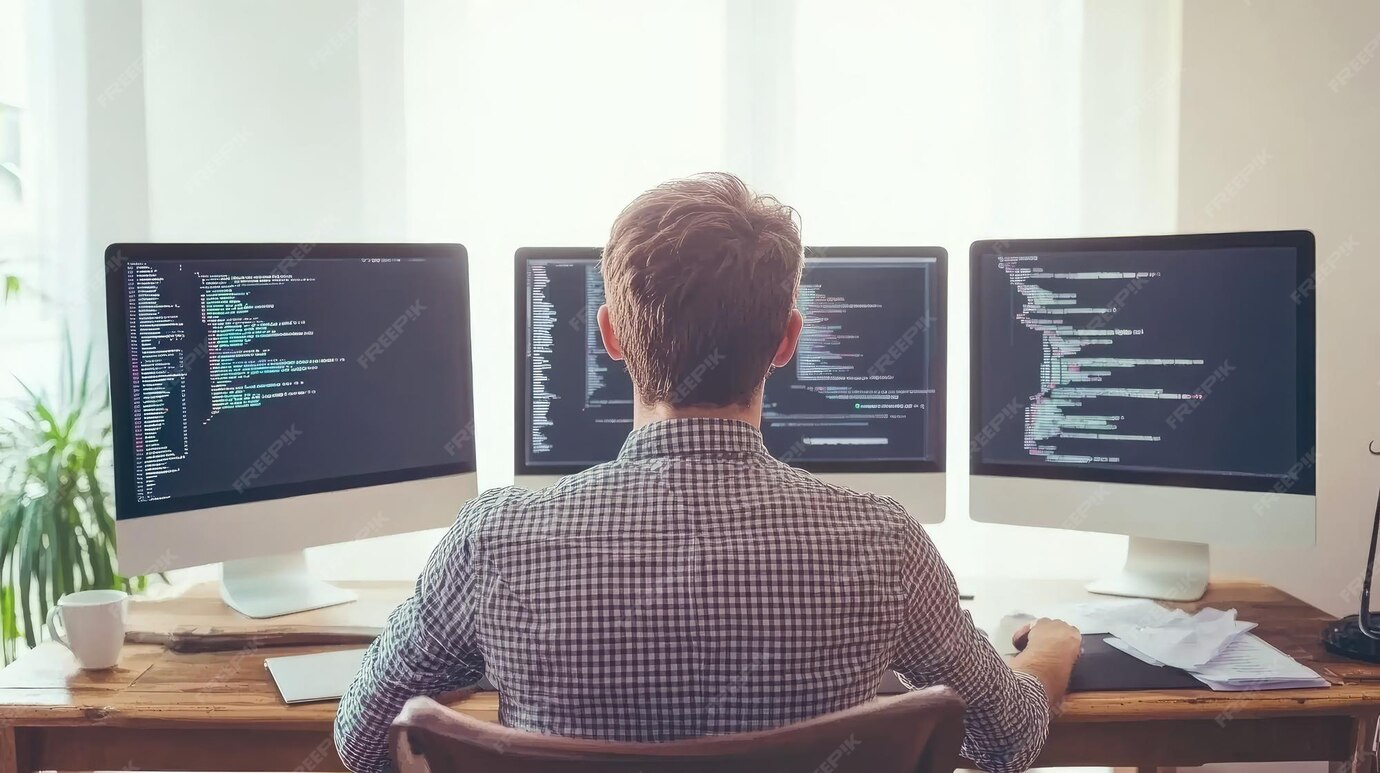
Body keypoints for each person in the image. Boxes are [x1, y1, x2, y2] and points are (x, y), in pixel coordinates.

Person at [335, 172, 1081, 773]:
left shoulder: (494, 542)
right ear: (787, 340)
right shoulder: (884, 543)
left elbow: (362, 740)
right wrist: (1049, 650)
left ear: (611, 335)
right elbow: (1006, 740)